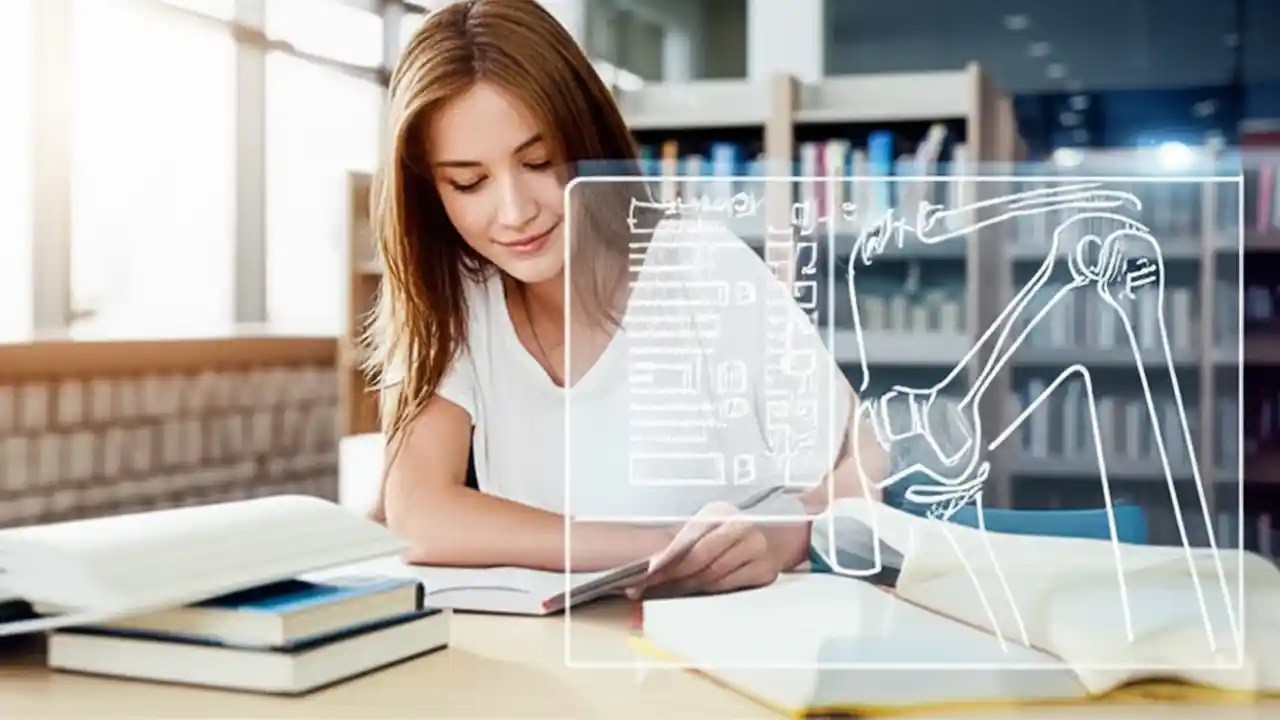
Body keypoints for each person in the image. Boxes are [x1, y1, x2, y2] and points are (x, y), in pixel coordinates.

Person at [364, 0, 886, 598]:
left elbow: (862, 467)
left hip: (728, 641)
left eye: (538, 162)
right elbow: (419, 513)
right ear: (431, 192)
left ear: (584, 139)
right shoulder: (456, 297)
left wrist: (775, 538)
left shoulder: (697, 268)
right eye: (469, 182)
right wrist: (658, 549)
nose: (515, 212)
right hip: (573, 652)